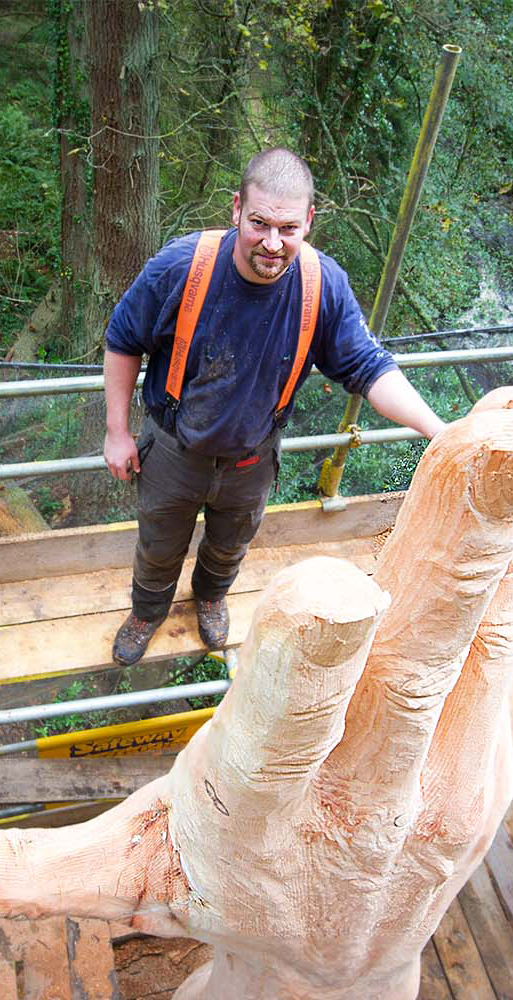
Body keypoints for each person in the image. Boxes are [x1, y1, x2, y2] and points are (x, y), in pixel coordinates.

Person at [102, 148, 446, 666]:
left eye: (288, 228)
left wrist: (439, 430)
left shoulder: (322, 284)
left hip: (252, 458)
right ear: (236, 209)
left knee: (230, 545)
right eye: (259, 223)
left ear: (309, 220)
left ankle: (212, 597)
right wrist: (117, 431)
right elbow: (123, 339)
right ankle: (148, 610)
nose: (272, 243)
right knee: (157, 543)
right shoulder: (181, 268)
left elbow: (370, 368)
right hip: (174, 450)